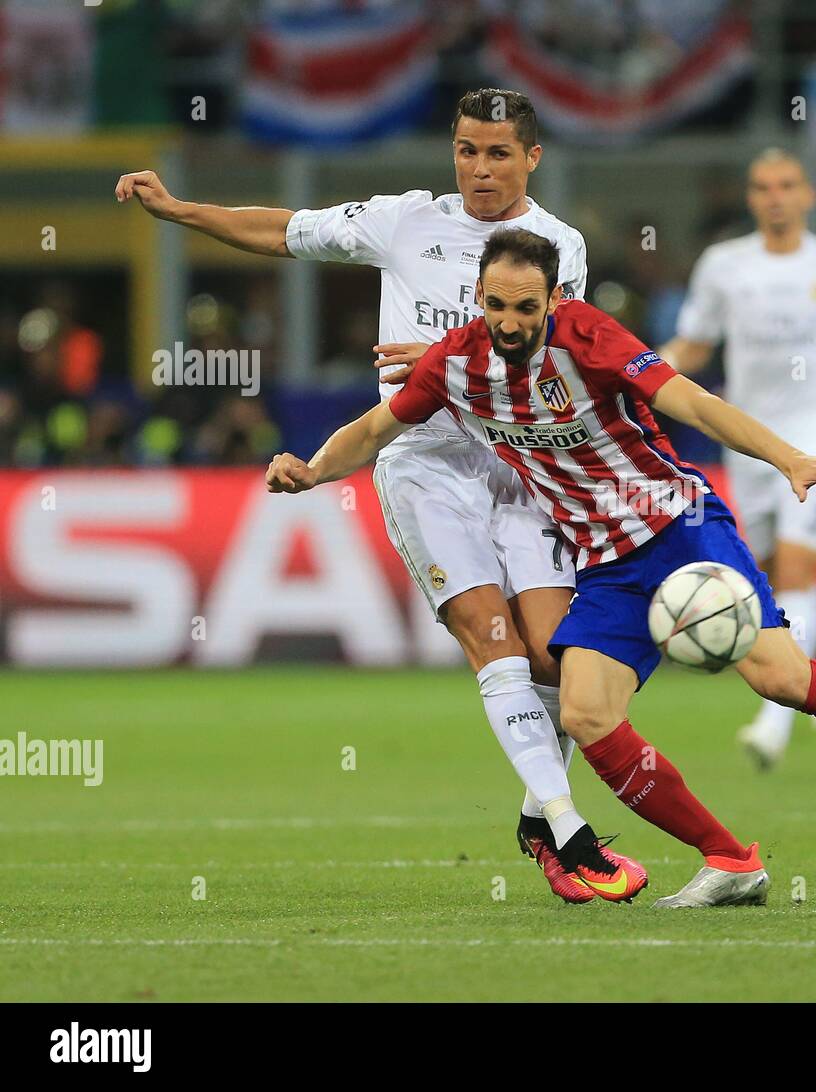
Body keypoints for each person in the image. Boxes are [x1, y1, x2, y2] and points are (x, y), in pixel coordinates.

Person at [265, 228, 816, 907]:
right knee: (586, 712)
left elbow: (690, 402)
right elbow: (371, 431)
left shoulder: (590, 335)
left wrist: (787, 456)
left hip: (679, 528)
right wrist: (310, 470)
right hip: (604, 565)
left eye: (526, 309)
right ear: (477, 299)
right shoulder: (453, 366)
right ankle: (731, 860)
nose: (510, 323)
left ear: (554, 300)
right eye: (496, 306)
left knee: (781, 679)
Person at [115, 88, 643, 905]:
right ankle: (571, 833)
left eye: (499, 153)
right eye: (468, 149)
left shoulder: (558, 246)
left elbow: (540, 363)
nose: (480, 168)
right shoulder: (403, 221)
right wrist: (181, 211)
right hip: (424, 461)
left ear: (532, 158)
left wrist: (438, 359)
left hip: (524, 466)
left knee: (555, 656)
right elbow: (284, 230)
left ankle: (537, 816)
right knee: (491, 640)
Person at [660, 148, 816, 769]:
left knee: (795, 571)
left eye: (787, 185)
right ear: (750, 197)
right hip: (752, 440)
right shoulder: (724, 265)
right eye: (763, 186)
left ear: (808, 195)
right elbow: (694, 343)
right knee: (773, 572)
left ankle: (774, 722)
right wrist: (635, 373)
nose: (775, 197)